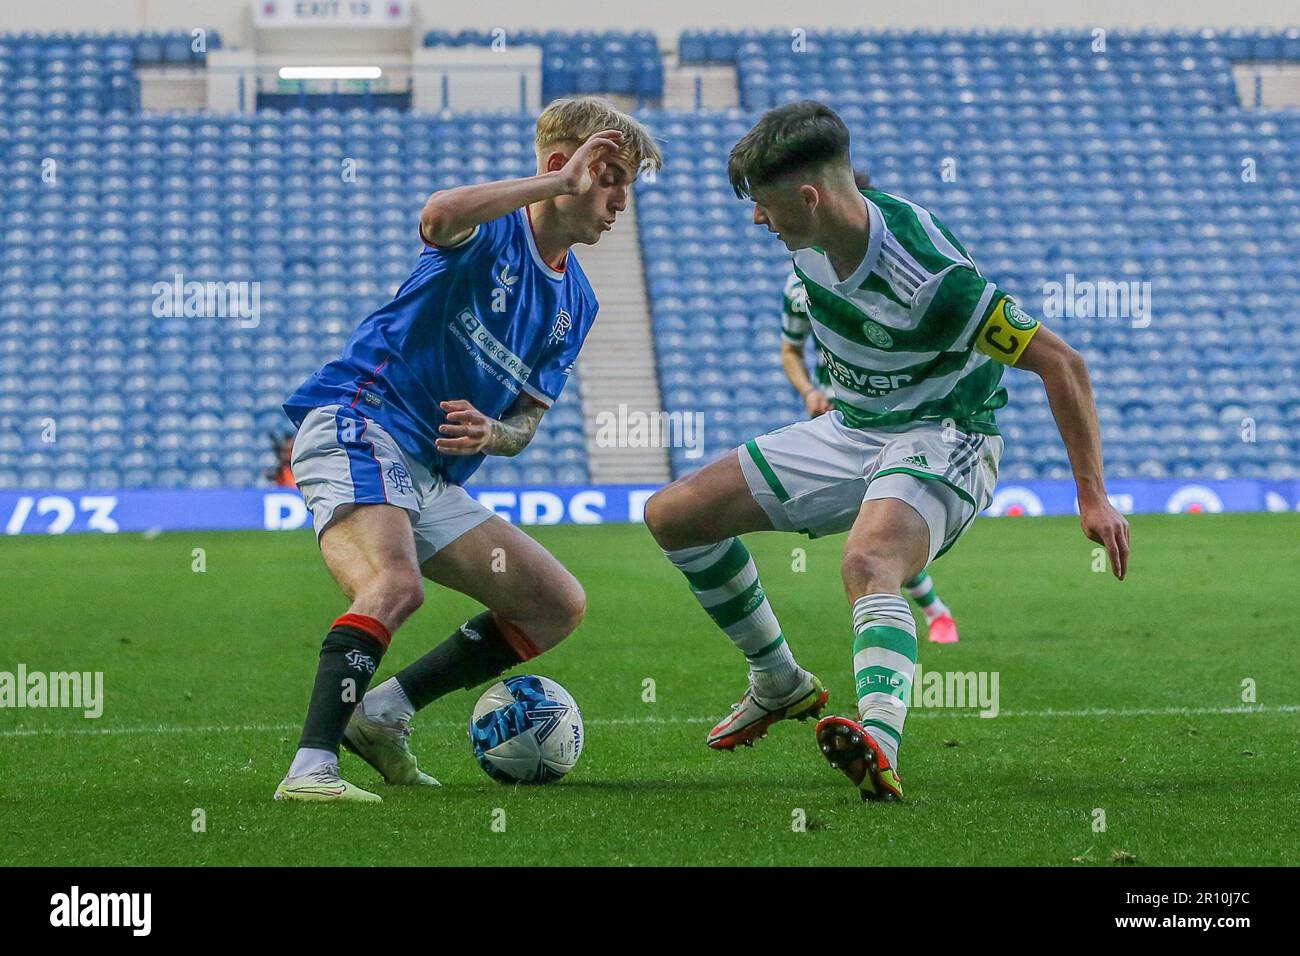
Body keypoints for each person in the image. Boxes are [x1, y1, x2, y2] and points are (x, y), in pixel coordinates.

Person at [644, 101, 1128, 801]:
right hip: (854, 428)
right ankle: (778, 682)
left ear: (809, 198)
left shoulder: (929, 276)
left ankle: (878, 740)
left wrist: (1092, 495)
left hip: (946, 433)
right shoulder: (807, 244)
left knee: (868, 561)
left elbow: (1063, 365)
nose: (758, 220)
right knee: (674, 514)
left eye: (764, 204)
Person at [273, 97, 661, 802]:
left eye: (628, 186)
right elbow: (437, 215)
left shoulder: (578, 305)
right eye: (611, 179)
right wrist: (551, 187)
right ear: (561, 167)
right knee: (393, 586)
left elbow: (527, 423)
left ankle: (381, 715)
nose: (621, 201)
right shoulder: (490, 231)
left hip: (429, 473)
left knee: (555, 605)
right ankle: (310, 770)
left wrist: (493, 434)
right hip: (362, 421)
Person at [779, 170, 960, 644]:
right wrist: (809, 392)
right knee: (872, 540)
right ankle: (927, 611)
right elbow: (790, 350)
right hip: (843, 422)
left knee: (877, 538)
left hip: (905, 422)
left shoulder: (903, 269)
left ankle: (929, 612)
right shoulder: (801, 283)